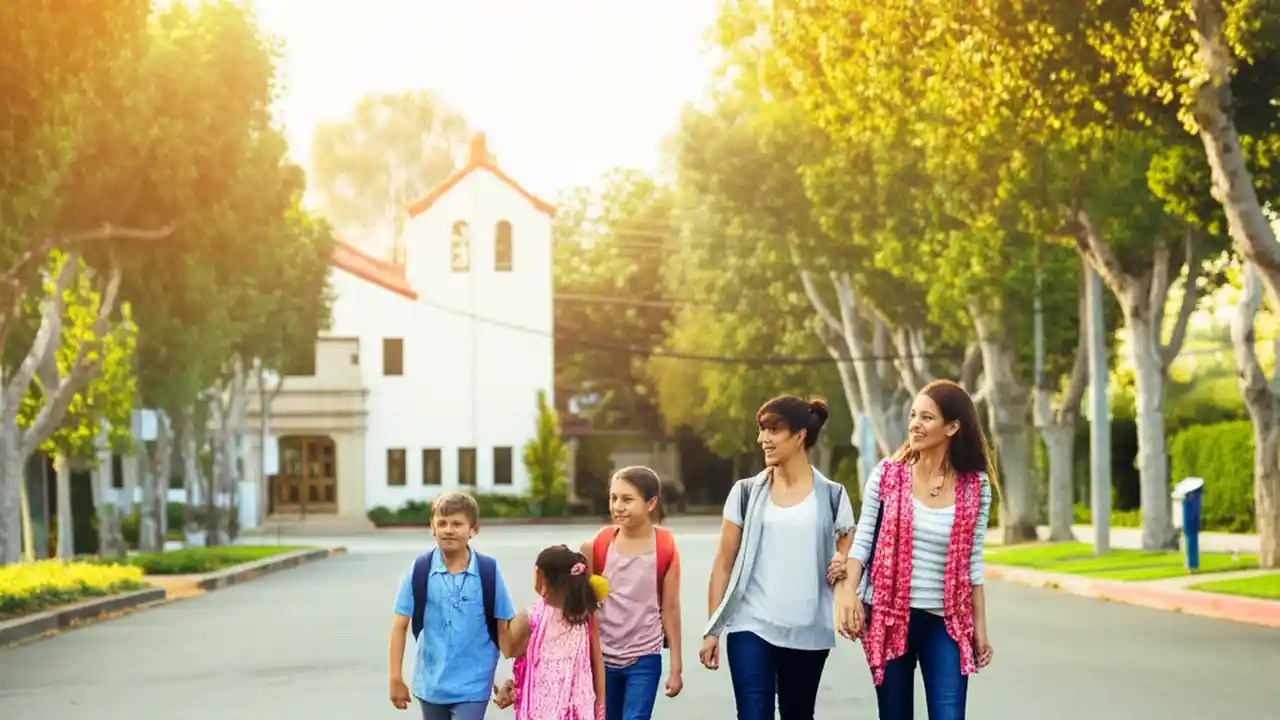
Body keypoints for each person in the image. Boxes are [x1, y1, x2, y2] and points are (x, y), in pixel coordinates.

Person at [837, 379, 995, 720]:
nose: (914, 425)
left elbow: (974, 561)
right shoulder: (888, 475)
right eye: (913, 415)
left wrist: (980, 628)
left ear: (952, 427)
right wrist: (849, 592)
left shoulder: (976, 485)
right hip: (890, 619)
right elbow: (863, 540)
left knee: (949, 714)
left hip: (947, 624)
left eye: (926, 417)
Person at [700, 395, 858, 720]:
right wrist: (713, 628)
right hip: (751, 624)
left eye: (774, 430)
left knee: (797, 713)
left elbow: (850, 554)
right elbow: (723, 563)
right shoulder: (745, 492)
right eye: (761, 430)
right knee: (753, 714)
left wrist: (842, 564)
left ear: (800, 435)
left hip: (808, 627)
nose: (763, 439)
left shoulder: (832, 495)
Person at [389, 491, 516, 720]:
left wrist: (506, 678)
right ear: (432, 528)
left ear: (473, 530)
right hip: (430, 684)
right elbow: (399, 626)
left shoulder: (488, 572)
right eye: (442, 523)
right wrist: (395, 678)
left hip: (474, 685)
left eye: (457, 524)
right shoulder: (419, 571)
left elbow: (504, 628)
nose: (448, 529)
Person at [582, 466, 683, 720]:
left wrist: (676, 667)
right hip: (603, 657)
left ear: (651, 503)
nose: (618, 506)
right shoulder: (599, 545)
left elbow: (670, 608)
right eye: (613, 498)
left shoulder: (665, 547)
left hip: (644, 657)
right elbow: (583, 608)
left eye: (627, 499)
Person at [491, 545, 606, 720]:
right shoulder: (586, 614)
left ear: (540, 576)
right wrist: (600, 704)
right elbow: (597, 659)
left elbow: (508, 649)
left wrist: (499, 612)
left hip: (540, 710)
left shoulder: (532, 617)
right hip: (578, 708)